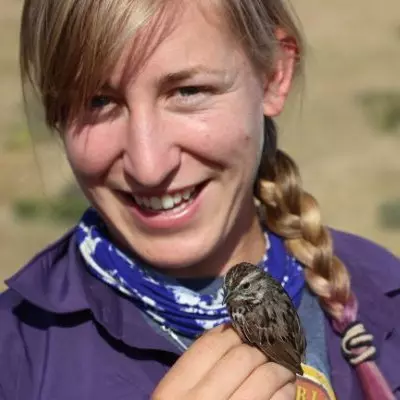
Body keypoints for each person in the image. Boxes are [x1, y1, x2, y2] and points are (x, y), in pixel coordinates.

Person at [0, 0, 399, 399]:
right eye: (98, 101)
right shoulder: (16, 358)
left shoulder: (385, 296)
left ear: (274, 75)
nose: (149, 166)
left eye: (188, 91)